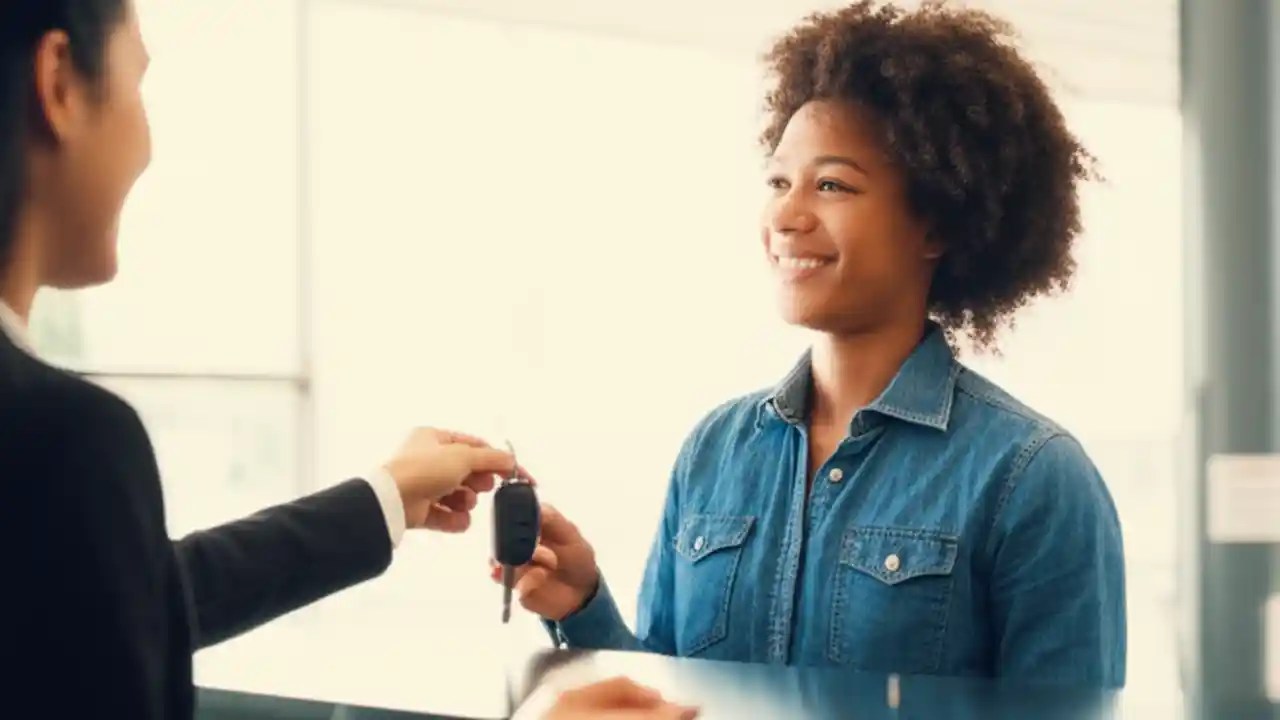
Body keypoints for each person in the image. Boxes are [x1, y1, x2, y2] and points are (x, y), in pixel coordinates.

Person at [0, 2, 693, 718]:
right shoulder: (64, 440)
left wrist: (388, 497)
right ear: (58, 82)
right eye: (138, 83)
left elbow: (134, 599)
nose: (147, 145)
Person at [500, 0, 1126, 689]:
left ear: (936, 226)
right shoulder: (714, 452)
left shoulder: (1033, 480)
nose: (787, 216)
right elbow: (665, 702)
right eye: (778, 182)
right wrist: (583, 605)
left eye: (831, 185)